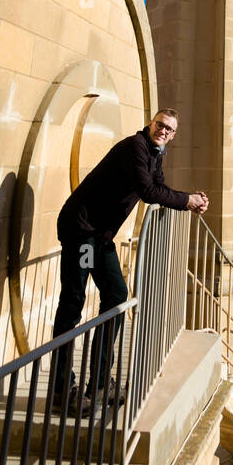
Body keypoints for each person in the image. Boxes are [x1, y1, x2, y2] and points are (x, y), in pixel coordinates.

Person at [51, 109, 208, 415]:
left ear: (173, 136)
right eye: (160, 124)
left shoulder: (155, 153)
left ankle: (98, 381)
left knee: (117, 296)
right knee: (73, 302)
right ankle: (61, 389)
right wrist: (187, 200)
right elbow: (148, 192)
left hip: (100, 237)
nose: (163, 130)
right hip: (81, 232)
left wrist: (190, 200)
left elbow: (159, 187)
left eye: (169, 129)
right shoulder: (134, 147)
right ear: (151, 123)